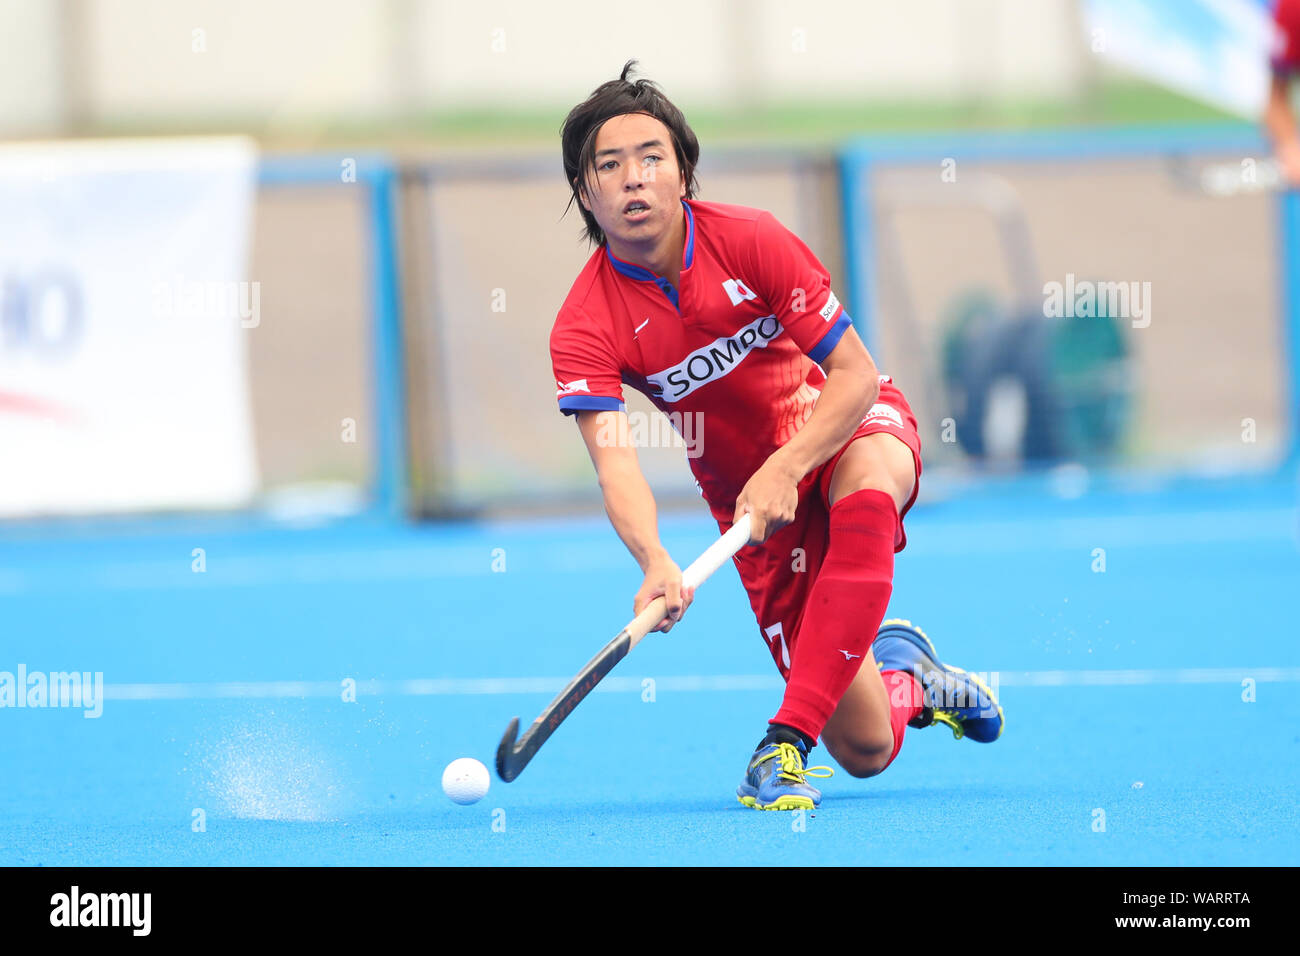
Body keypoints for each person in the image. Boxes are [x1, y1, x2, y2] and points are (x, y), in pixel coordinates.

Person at [549, 62, 1002, 811]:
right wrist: (655, 559)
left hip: (840, 430)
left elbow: (855, 374)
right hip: (752, 509)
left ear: (683, 171)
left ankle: (781, 744)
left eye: (652, 158)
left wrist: (790, 463)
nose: (634, 179)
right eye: (610, 165)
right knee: (865, 750)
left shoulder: (751, 240)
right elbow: (615, 463)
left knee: (870, 485)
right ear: (585, 191)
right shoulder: (584, 323)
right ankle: (906, 676)